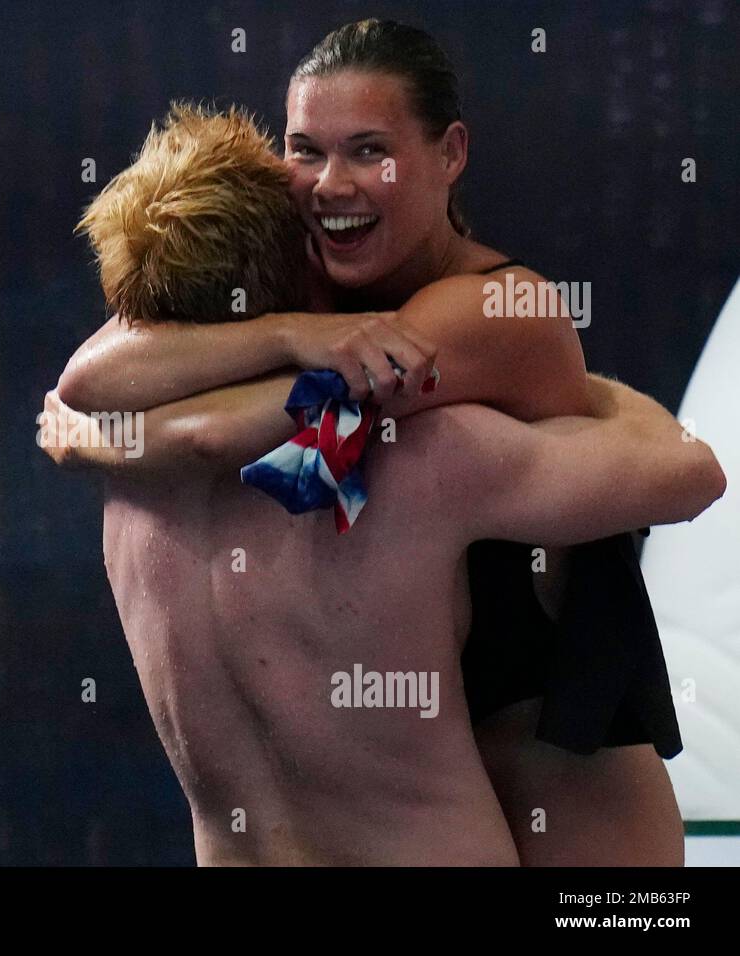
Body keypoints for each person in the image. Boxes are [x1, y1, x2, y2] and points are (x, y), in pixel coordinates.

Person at [40, 91, 724, 863]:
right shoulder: (426, 457)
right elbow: (688, 472)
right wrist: (583, 386)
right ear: (302, 264)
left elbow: (113, 375)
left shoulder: (125, 487)